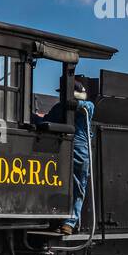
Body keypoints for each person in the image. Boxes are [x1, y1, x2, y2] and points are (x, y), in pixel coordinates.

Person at [33, 74, 94, 235]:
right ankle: (56, 217)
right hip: (61, 146)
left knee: (78, 185)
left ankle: (70, 222)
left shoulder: (87, 106)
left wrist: (73, 103)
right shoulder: (58, 108)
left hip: (80, 147)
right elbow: (45, 120)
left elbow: (86, 107)